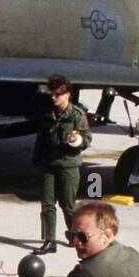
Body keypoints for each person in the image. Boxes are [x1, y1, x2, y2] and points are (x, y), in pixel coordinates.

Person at [31, 74, 91, 254]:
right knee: (47, 205)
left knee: (68, 206)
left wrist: (77, 140)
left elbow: (87, 138)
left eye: (57, 94)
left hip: (68, 166)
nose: (53, 97)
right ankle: (49, 241)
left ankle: (75, 235)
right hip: (48, 164)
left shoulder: (77, 115)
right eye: (52, 94)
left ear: (67, 95)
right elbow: (41, 139)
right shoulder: (48, 114)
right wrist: (36, 159)